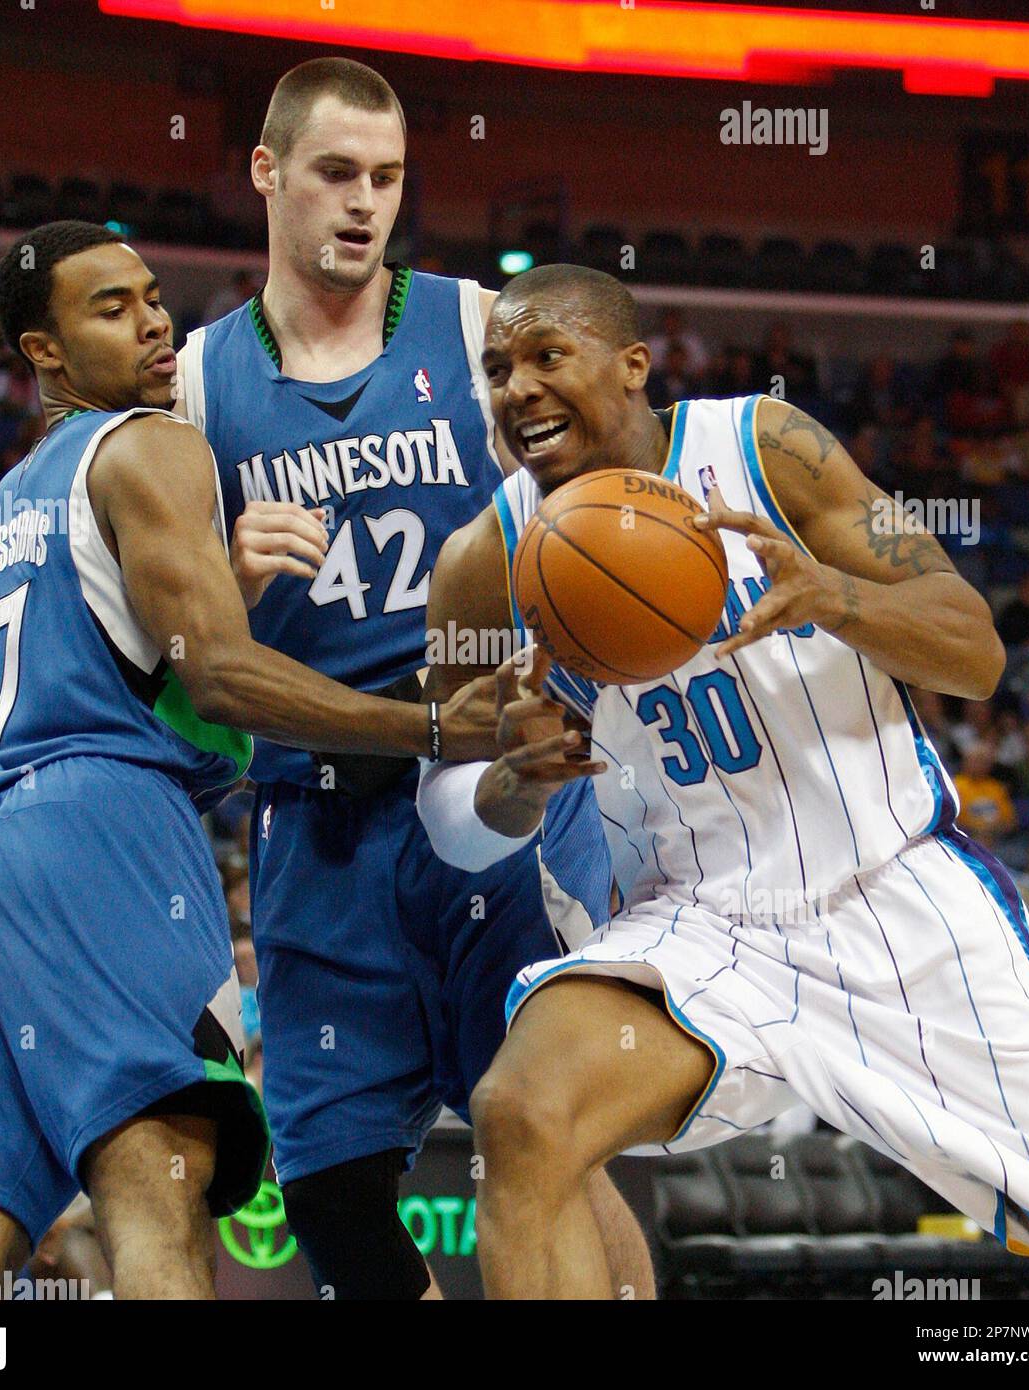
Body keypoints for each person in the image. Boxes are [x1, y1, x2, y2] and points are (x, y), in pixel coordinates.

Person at [417, 263, 1029, 1300]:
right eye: (498, 367)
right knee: (522, 1111)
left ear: (634, 365)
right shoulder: (484, 559)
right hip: (698, 928)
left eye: (547, 356)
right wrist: (514, 784)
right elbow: (451, 823)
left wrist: (835, 596)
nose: (517, 387)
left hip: (892, 903)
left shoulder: (767, 449)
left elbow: (977, 653)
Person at [0, 220, 496, 1301]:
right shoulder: (155, 445)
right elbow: (224, 683)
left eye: (151, 294)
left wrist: (179, 607)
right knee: (157, 1186)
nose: (153, 320)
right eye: (110, 307)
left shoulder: (9, 501)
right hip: (105, 834)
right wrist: (432, 727)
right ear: (43, 353)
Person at [174, 57, 649, 1300]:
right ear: (267, 174)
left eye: (387, 177)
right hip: (315, 816)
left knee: (550, 1141)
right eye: (335, 172)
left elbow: (617, 509)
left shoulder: (481, 327)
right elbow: (168, 642)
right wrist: (223, 572)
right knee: (330, 1188)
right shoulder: (192, 380)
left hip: (498, 785)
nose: (364, 202)